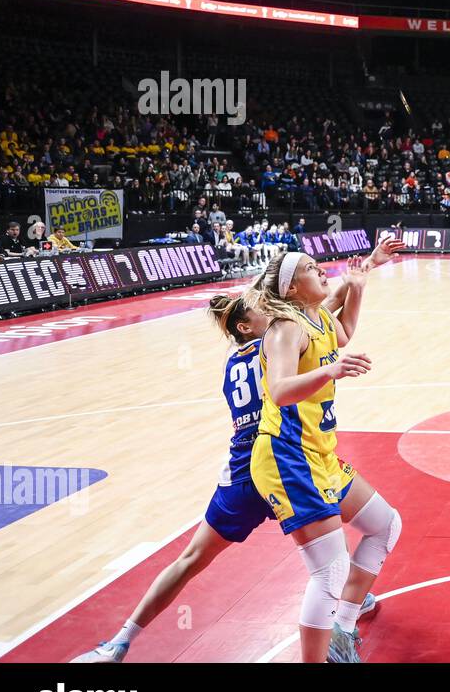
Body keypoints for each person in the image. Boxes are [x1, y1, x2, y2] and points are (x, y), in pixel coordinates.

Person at [69, 238, 401, 663]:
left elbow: (331, 309)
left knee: (193, 558)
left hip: (272, 462)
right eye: (259, 306)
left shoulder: (286, 330)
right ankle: (332, 619)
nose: (266, 305)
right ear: (250, 324)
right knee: (328, 568)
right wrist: (335, 345)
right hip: (277, 459)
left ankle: (121, 639)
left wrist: (364, 273)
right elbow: (303, 346)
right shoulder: (283, 333)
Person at [250, 247, 404, 661]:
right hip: (288, 456)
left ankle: (343, 628)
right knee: (330, 569)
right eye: (309, 268)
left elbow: (345, 332)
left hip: (320, 453)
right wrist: (331, 370)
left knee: (386, 525)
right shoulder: (286, 327)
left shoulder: (316, 318)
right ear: (291, 287)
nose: (319, 270)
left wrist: (359, 282)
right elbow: (280, 391)